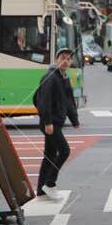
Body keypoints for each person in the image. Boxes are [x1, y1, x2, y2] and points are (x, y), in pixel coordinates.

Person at [33, 48, 79, 200]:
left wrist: (74, 120)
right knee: (64, 151)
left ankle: (41, 190)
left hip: (55, 122)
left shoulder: (63, 77)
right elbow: (42, 101)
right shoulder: (51, 77)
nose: (65, 61)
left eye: (68, 59)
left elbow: (69, 101)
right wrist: (47, 121)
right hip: (51, 123)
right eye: (62, 58)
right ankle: (50, 184)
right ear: (56, 59)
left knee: (50, 155)